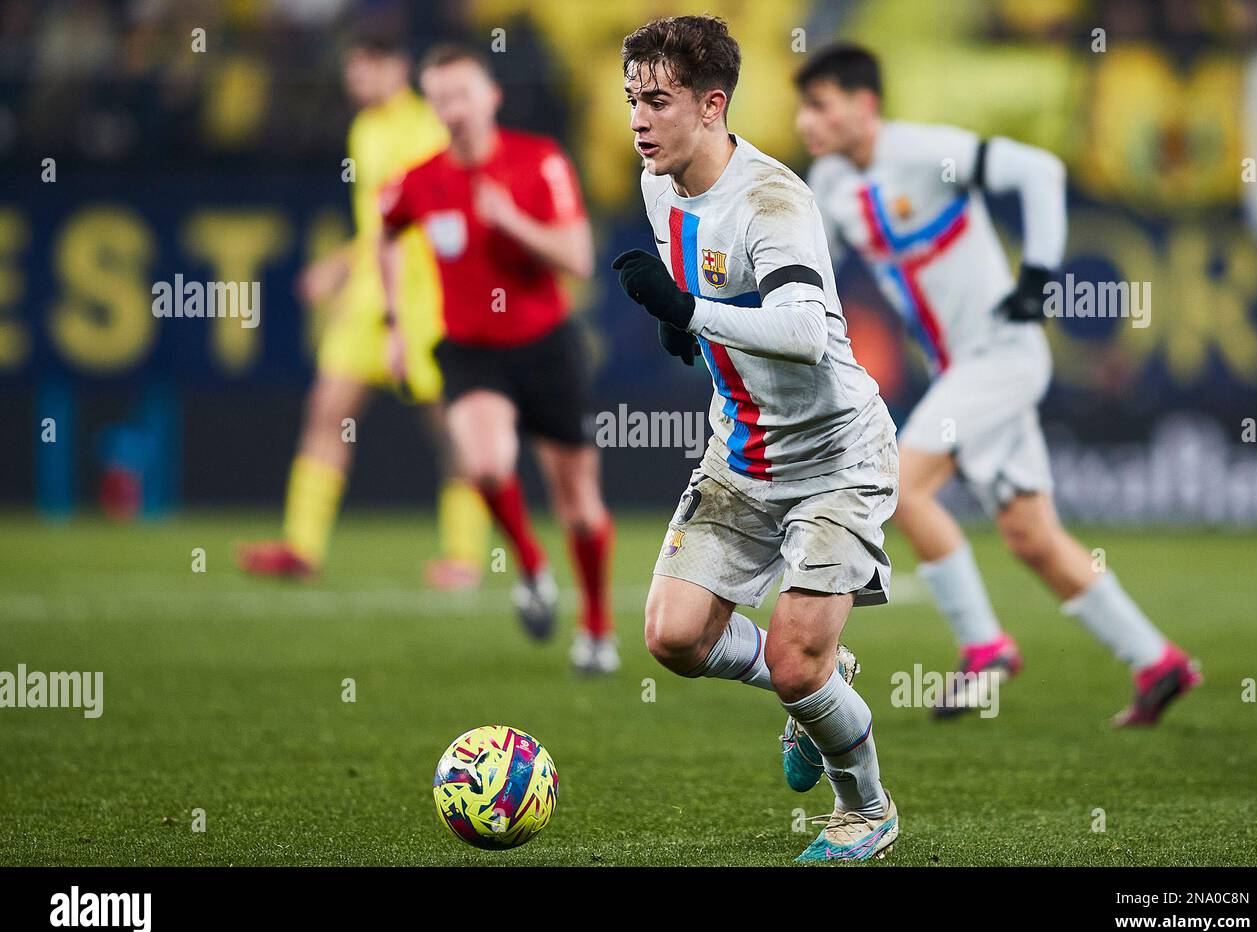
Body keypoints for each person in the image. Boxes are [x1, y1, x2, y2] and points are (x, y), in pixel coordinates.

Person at [794, 43, 1200, 725]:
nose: (806, 121)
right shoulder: (830, 184)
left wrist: (1039, 275)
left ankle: (984, 646)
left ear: (864, 105)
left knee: (899, 483)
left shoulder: (923, 153)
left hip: (1002, 356)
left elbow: (1040, 169)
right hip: (962, 370)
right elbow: (815, 268)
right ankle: (1158, 662)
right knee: (1031, 536)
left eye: (819, 104)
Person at [614, 15, 901, 861]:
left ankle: (867, 811)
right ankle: (818, 683)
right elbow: (703, 294)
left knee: (794, 662)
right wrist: (688, 333)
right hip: (739, 455)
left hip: (835, 459)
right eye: (631, 99)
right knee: (672, 637)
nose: (638, 119)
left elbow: (808, 330)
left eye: (657, 101)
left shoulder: (775, 200)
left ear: (712, 105)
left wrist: (686, 311)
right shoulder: (658, 182)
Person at [379, 44, 617, 674]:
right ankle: (534, 569)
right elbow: (384, 230)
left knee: (580, 503)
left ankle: (596, 628)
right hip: (471, 351)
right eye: (439, 99)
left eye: (462, 94)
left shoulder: (538, 162)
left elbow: (578, 257)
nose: (452, 109)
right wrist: (394, 324)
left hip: (545, 346)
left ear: (491, 97)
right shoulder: (420, 179)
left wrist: (511, 221)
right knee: (484, 464)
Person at [238, 32, 489, 588]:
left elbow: (423, 225)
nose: (356, 78)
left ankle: (465, 558)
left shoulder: (425, 131)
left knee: (451, 431)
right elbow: (380, 228)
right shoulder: (365, 128)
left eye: (367, 66)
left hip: (423, 304)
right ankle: (301, 547)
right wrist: (344, 267)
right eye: (353, 67)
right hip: (367, 301)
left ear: (398, 67)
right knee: (327, 412)